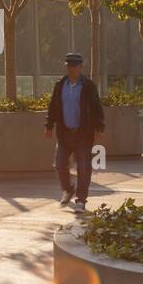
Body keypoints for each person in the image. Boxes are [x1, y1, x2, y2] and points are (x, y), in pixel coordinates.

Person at [44, 52, 104, 212]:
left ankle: (81, 200)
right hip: (64, 133)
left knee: (83, 167)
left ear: (80, 67)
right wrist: (49, 125)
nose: (70, 69)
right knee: (59, 164)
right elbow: (53, 106)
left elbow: (97, 107)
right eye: (68, 66)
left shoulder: (88, 86)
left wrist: (99, 127)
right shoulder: (60, 84)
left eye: (74, 66)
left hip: (83, 134)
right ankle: (68, 189)